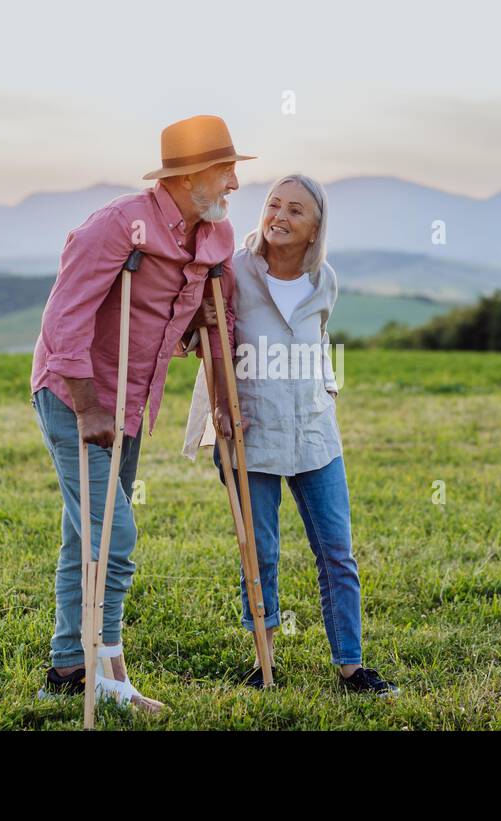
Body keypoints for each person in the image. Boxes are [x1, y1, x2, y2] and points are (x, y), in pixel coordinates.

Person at [32, 115, 253, 710]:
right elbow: (64, 322)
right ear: (190, 177)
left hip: (131, 407)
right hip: (75, 397)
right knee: (114, 536)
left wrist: (224, 406)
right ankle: (110, 677)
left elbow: (218, 325)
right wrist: (86, 406)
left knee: (87, 537)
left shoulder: (216, 239)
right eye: (226, 171)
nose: (234, 184)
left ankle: (67, 669)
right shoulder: (115, 227)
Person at [183, 174, 399, 696]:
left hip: (314, 434)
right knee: (259, 553)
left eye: (294, 210)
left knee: (337, 552)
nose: (278, 216)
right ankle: (265, 664)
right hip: (248, 430)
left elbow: (320, 338)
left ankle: (352, 668)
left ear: (315, 227)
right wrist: (203, 326)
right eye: (273, 204)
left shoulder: (324, 279)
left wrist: (327, 388)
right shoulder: (231, 270)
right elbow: (196, 338)